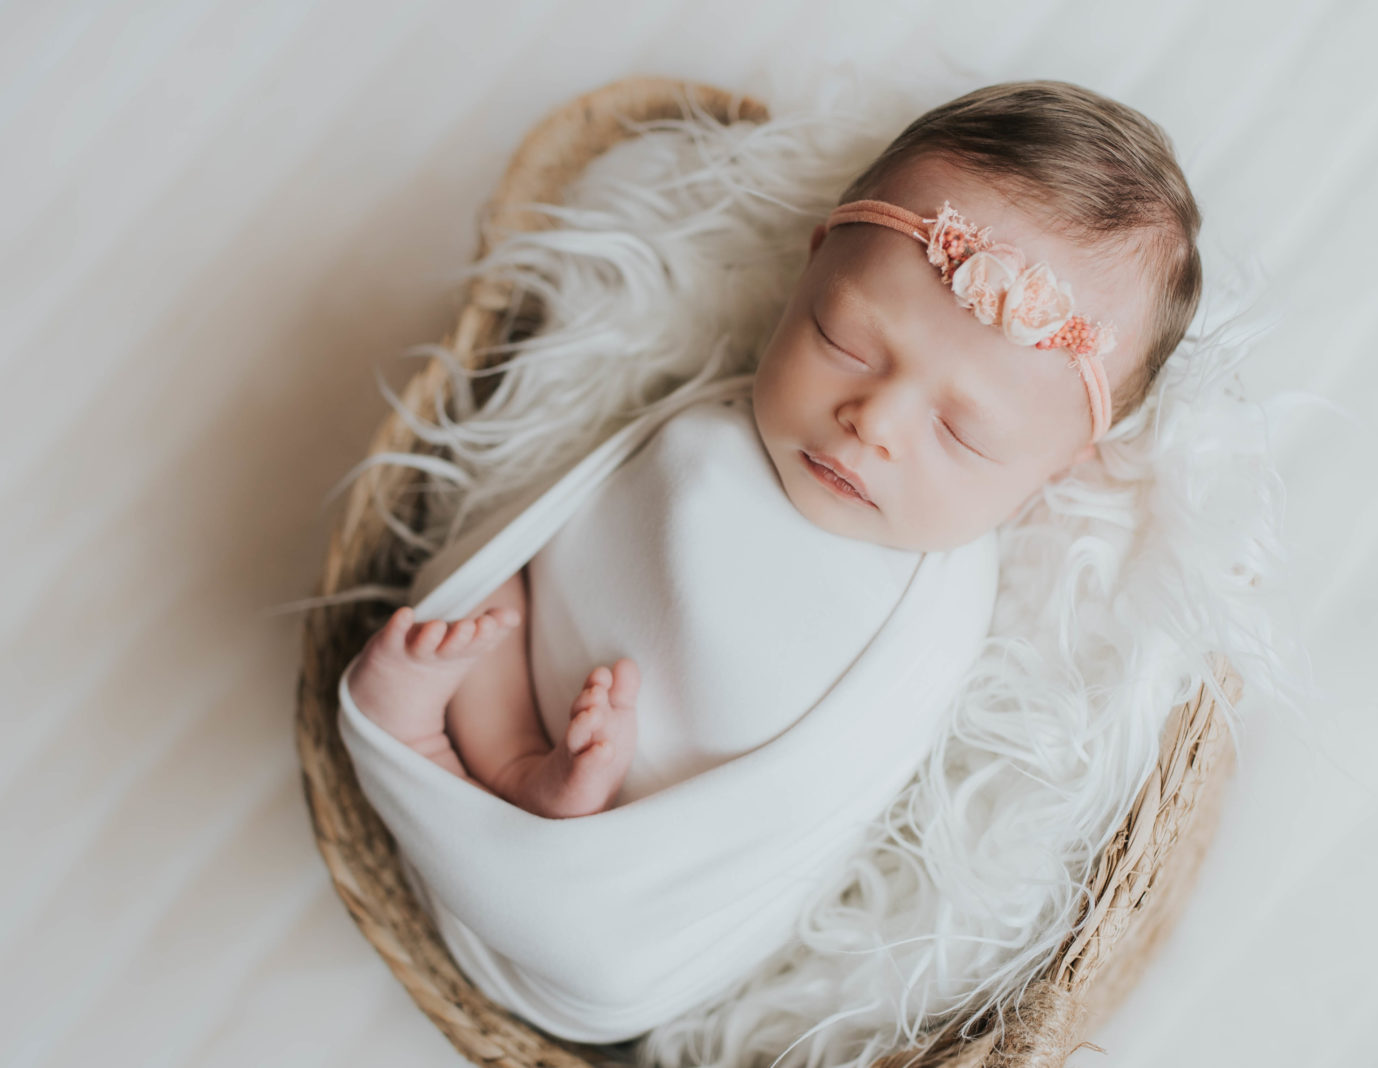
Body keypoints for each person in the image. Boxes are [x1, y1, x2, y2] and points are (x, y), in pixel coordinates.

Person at [343, 79, 1202, 820]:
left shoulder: (938, 621)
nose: (873, 421)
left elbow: (820, 803)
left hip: (662, 813)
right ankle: (473, 750)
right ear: (814, 263)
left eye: (960, 432)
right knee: (492, 589)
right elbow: (560, 511)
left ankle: (527, 789)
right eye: (845, 341)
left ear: (1061, 463)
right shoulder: (709, 422)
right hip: (527, 662)